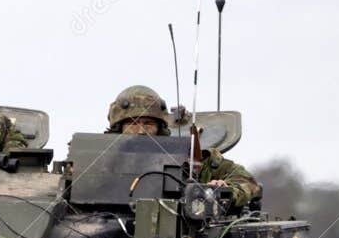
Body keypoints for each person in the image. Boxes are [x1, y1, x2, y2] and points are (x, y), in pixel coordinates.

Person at [105, 84, 262, 211]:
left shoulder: (190, 157)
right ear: (119, 128)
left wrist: (224, 189)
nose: (140, 131)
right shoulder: (103, 159)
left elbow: (248, 181)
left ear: (160, 128)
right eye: (132, 124)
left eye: (148, 123)